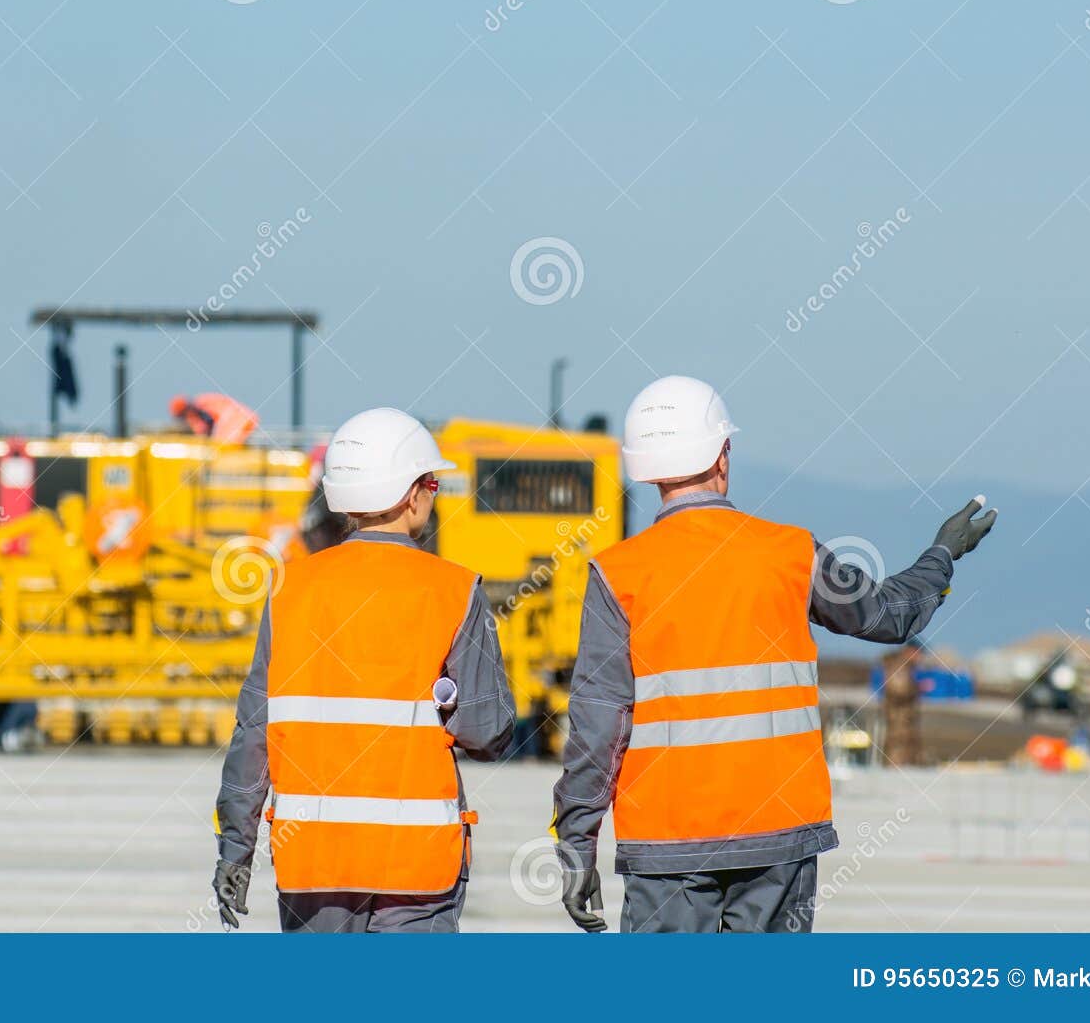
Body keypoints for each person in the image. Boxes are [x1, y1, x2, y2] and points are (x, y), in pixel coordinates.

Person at [553, 376, 996, 934]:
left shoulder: (618, 574)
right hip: (777, 833)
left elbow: (598, 722)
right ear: (723, 453)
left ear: (645, 467)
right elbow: (888, 616)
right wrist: (942, 554)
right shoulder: (790, 553)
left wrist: (576, 840)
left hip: (666, 841)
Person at [211, 407, 516, 933]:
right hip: (416, 867)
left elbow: (253, 735)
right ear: (411, 492)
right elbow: (488, 731)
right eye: (433, 483)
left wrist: (234, 851)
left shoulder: (289, 591)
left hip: (314, 864)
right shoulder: (453, 588)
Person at [168, 393, 258, 446]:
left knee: (222, 446)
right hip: (245, 419)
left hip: (237, 421)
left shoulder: (202, 405)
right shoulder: (204, 402)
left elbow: (203, 428)